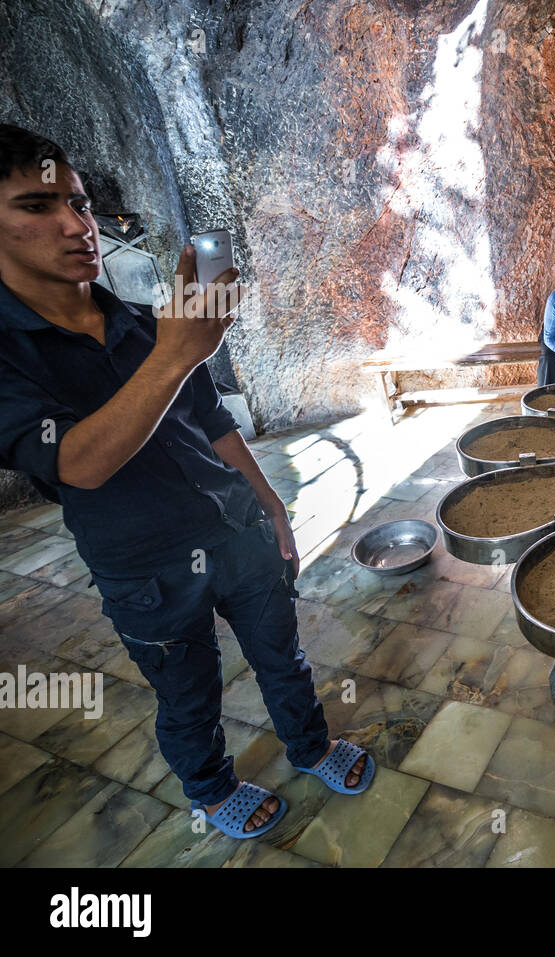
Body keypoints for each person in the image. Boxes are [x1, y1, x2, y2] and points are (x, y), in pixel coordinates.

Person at [0, 125, 373, 840]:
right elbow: (76, 460)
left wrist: (272, 508)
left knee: (282, 657)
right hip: (147, 570)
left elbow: (212, 422)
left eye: (79, 204)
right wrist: (175, 355)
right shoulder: (14, 359)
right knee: (188, 693)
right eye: (36, 206)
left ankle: (311, 744)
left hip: (234, 531)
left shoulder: (142, 324)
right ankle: (211, 787)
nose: (76, 224)